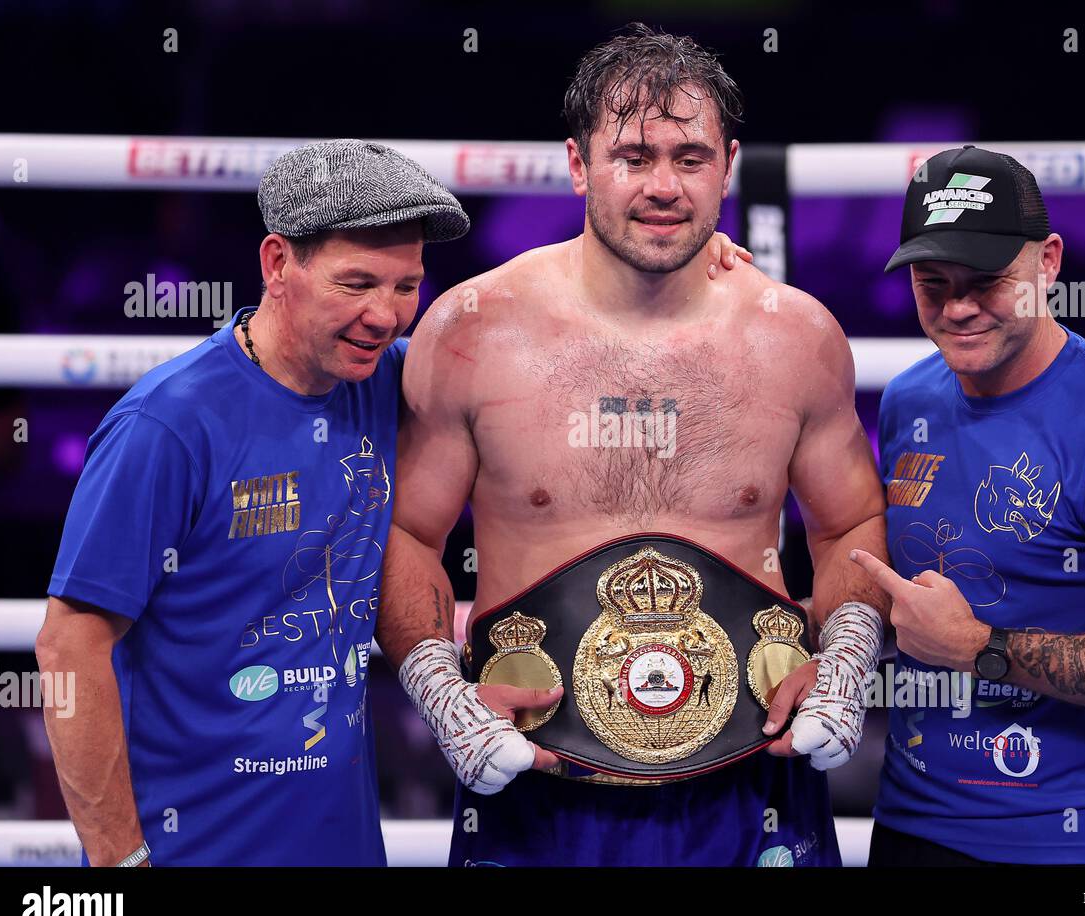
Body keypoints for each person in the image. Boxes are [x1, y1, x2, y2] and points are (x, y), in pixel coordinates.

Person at [377, 24, 890, 867]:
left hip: (752, 777)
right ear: (579, 165)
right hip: (540, 774)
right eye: (633, 156)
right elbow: (410, 535)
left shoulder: (797, 337)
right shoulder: (475, 331)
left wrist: (843, 664)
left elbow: (848, 528)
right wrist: (445, 697)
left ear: (727, 164)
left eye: (690, 158)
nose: (664, 186)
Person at [37, 139, 469, 865]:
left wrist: (697, 269)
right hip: (191, 850)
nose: (386, 315)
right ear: (277, 264)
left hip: (342, 846)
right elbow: (70, 644)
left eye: (405, 286)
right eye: (356, 283)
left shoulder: (389, 382)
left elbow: (522, 339)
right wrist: (119, 862)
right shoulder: (167, 425)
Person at [853, 145, 1085, 866]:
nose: (958, 308)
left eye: (988, 282)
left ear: (1048, 263)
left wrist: (978, 649)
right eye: (934, 284)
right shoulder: (909, 400)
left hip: (1077, 843)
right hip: (909, 827)